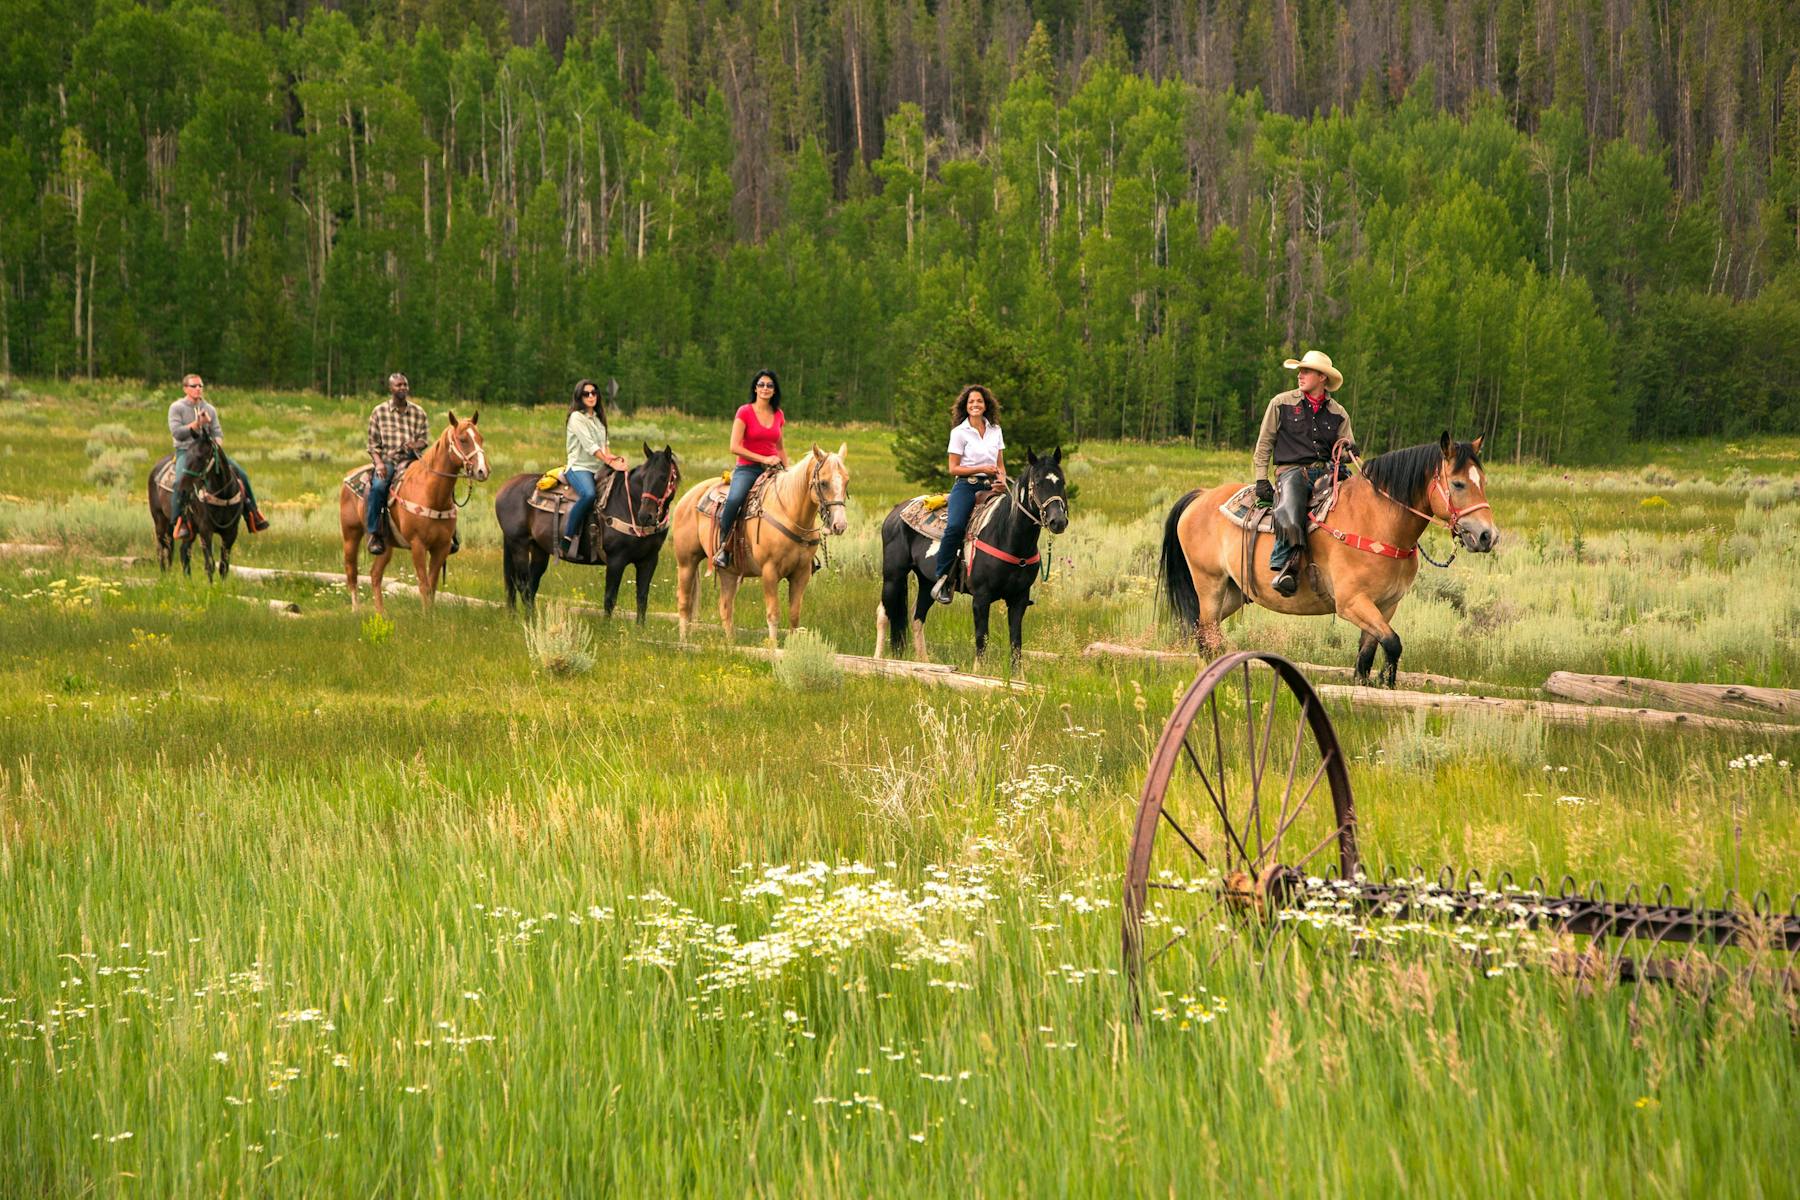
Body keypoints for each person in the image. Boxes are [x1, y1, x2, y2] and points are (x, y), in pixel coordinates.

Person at [1251, 350, 1357, 596]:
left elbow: (1347, 446)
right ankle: (1285, 564)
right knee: (1291, 505)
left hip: (1327, 473)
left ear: (1322, 377)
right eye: (1300, 371)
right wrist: (1260, 478)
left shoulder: (1339, 413)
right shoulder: (1281, 403)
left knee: (1361, 498)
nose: (1300, 375)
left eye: (1306, 371)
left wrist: (1349, 451)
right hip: (1292, 472)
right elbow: (1264, 443)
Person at [166, 374, 269, 538]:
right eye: (194, 386)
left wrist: (215, 447)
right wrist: (198, 423)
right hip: (187, 451)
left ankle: (253, 514)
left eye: (200, 386)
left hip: (209, 451)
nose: (198, 389)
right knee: (180, 481)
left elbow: (218, 433)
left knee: (241, 474)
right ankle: (179, 521)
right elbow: (177, 433)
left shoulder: (210, 409)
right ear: (185, 388)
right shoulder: (176, 407)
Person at [931, 384, 1005, 604]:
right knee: (955, 527)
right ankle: (943, 579)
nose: (975, 405)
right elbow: (953, 468)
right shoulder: (959, 433)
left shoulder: (995, 430)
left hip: (991, 486)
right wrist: (981, 469)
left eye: (979, 401)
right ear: (965, 405)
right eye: (971, 402)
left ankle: (1013, 577)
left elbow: (1000, 464)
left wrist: (1000, 481)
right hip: (966, 485)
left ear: (986, 405)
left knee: (1011, 521)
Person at [713, 370, 788, 569]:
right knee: (735, 499)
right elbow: (734, 447)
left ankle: (800, 551)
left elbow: (780, 447)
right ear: (755, 388)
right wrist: (764, 458)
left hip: (773, 470)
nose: (765, 388)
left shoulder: (778, 414)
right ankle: (723, 546)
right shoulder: (744, 411)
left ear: (774, 390)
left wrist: (787, 471)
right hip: (748, 469)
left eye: (769, 385)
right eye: (761, 384)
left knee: (794, 500)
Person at [561, 379, 630, 558]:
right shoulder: (576, 418)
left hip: (598, 468)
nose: (591, 396)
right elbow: (590, 447)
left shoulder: (599, 419)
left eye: (594, 393)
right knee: (589, 495)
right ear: (579, 396)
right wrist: (609, 460)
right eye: (586, 393)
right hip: (579, 467)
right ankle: (567, 537)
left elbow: (604, 446)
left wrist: (615, 460)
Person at [364, 372, 429, 556]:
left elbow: (424, 440)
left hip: (413, 460)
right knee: (378, 487)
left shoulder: (418, 412)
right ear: (390, 388)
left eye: (405, 385)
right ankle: (375, 533)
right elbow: (373, 445)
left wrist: (415, 444)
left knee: (439, 481)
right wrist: (379, 464)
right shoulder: (379, 412)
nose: (402, 388)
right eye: (398, 385)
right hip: (389, 460)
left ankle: (450, 532)